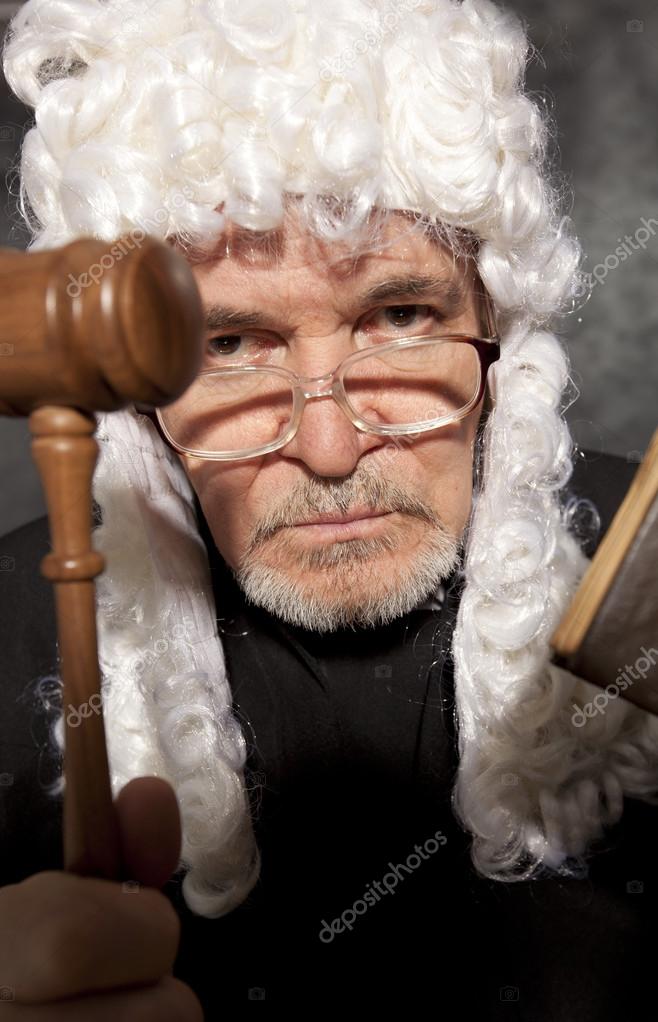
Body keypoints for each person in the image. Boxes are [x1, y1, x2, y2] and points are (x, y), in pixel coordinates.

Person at [1, 0, 657, 1015]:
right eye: (226, 346)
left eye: (398, 317)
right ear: (136, 391)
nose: (329, 446)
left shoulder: (645, 568)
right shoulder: (14, 635)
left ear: (498, 330)